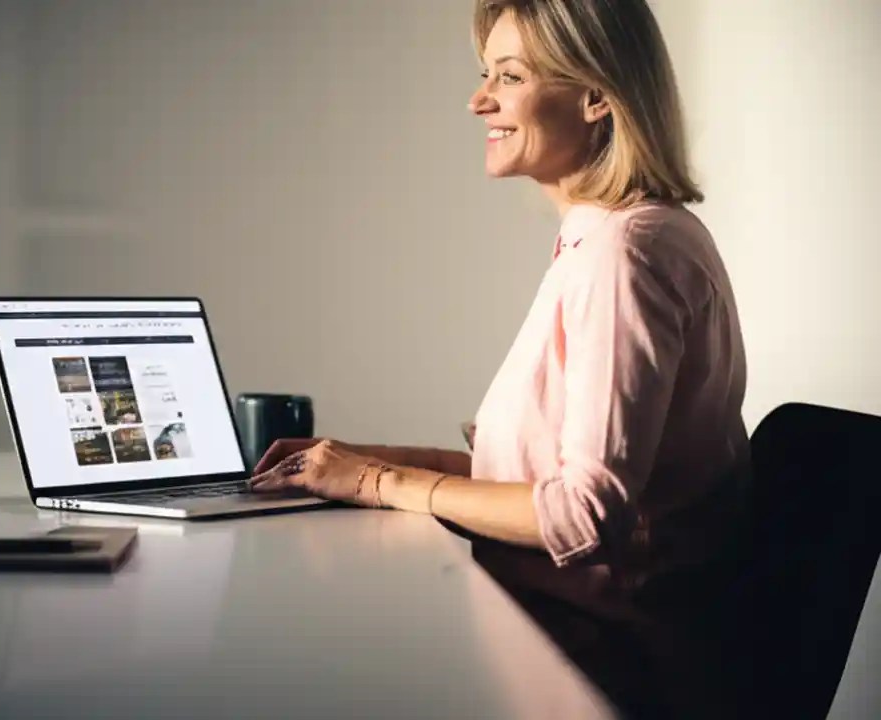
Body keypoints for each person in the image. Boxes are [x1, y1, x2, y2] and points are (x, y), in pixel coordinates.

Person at [248, 0, 749, 716]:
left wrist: (379, 481)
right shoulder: (624, 238)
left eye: (509, 77)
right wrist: (345, 462)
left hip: (596, 669)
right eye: (487, 74)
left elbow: (582, 514)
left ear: (597, 95)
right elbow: (526, 479)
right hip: (564, 638)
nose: (478, 98)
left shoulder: (624, 254)